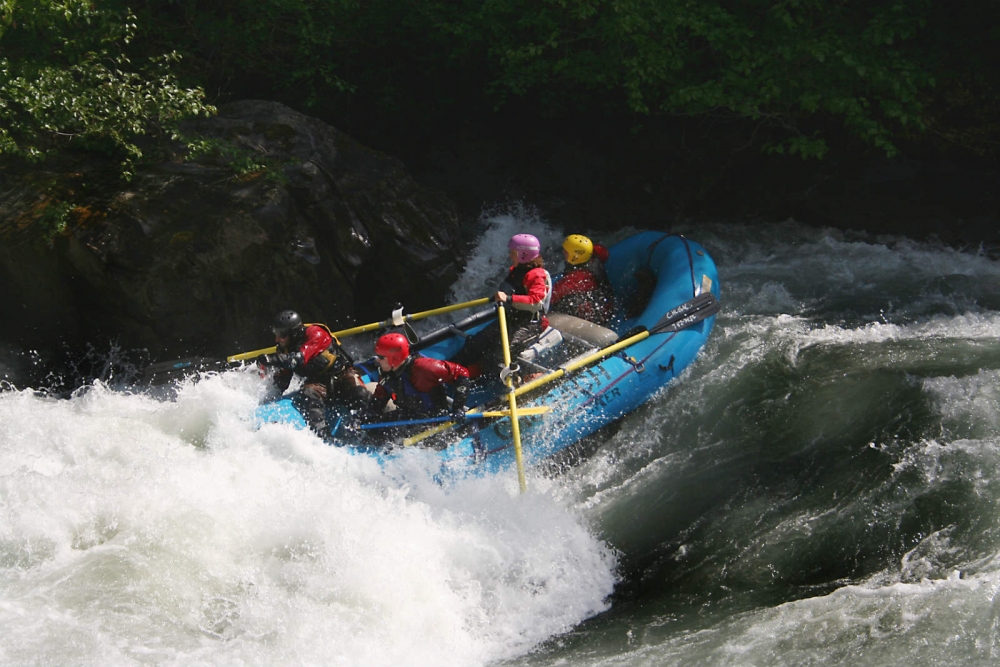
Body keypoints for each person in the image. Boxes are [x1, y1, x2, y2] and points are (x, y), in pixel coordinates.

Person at [454, 233, 554, 377]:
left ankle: (528, 376)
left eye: (513, 253)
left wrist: (507, 298)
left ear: (524, 255)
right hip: (510, 319)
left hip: (529, 324)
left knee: (498, 356)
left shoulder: (536, 275)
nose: (510, 256)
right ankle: (455, 372)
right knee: (475, 344)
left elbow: (536, 303)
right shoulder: (516, 270)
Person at [257, 310, 370, 435]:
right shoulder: (284, 348)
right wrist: (267, 401)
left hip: (342, 375)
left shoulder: (315, 333)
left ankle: (365, 425)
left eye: (281, 335)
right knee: (308, 392)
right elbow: (283, 378)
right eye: (276, 334)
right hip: (319, 382)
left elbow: (298, 359)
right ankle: (322, 434)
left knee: (360, 393)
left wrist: (272, 359)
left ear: (293, 333)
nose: (277, 339)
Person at [367, 332, 471, 422]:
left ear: (394, 358)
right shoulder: (387, 373)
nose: (377, 360)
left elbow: (462, 374)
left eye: (380, 357)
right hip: (408, 417)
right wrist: (364, 418)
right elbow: (378, 401)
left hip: (434, 420)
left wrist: (458, 408)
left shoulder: (424, 368)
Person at [550, 234, 615, 325]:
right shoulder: (593, 257)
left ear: (575, 256)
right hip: (603, 303)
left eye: (566, 252)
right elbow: (602, 251)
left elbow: (552, 296)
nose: (563, 252)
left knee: (561, 304)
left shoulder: (576, 278)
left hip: (597, 316)